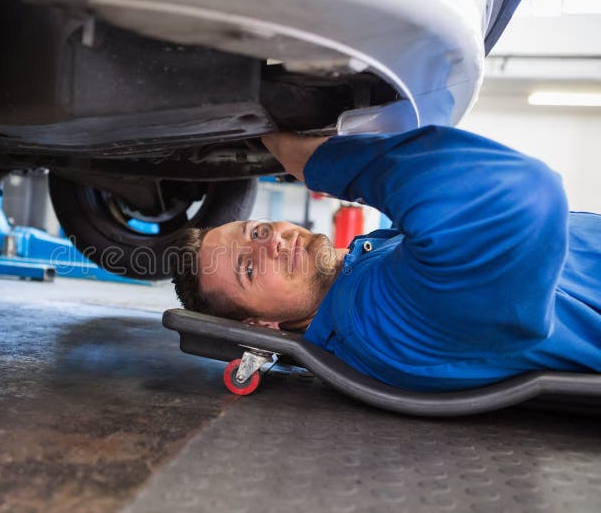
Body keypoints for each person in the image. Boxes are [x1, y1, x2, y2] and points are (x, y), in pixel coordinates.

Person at [170, 126, 601, 391]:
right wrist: (320, 161)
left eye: (258, 231)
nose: (271, 244)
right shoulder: (372, 319)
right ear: (259, 325)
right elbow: (516, 196)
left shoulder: (359, 275)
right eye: (248, 267)